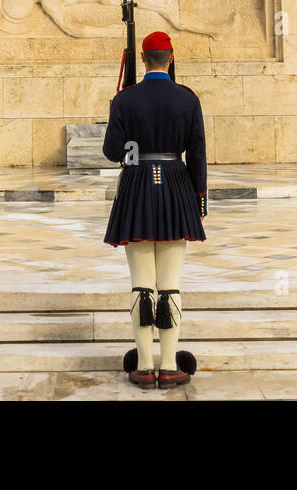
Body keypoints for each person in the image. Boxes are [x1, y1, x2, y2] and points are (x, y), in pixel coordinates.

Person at [102, 31, 207, 390]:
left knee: (142, 284)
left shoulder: (125, 99)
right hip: (176, 187)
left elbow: (113, 152)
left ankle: (144, 367)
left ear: (143, 60)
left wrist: (127, 121)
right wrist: (199, 201)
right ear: (171, 57)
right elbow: (197, 155)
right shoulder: (187, 99)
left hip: (137, 188)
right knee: (171, 285)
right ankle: (170, 364)